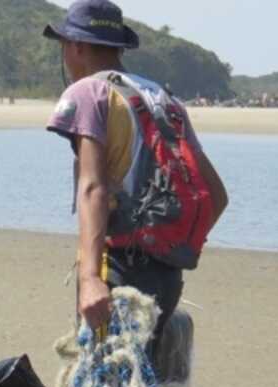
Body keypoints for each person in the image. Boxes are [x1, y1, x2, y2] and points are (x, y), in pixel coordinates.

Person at [44, 0, 228, 360]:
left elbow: (93, 187)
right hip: (166, 275)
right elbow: (216, 196)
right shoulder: (164, 99)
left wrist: (90, 277)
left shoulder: (89, 92)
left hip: (118, 270)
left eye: (65, 45)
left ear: (77, 46)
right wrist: (172, 248)